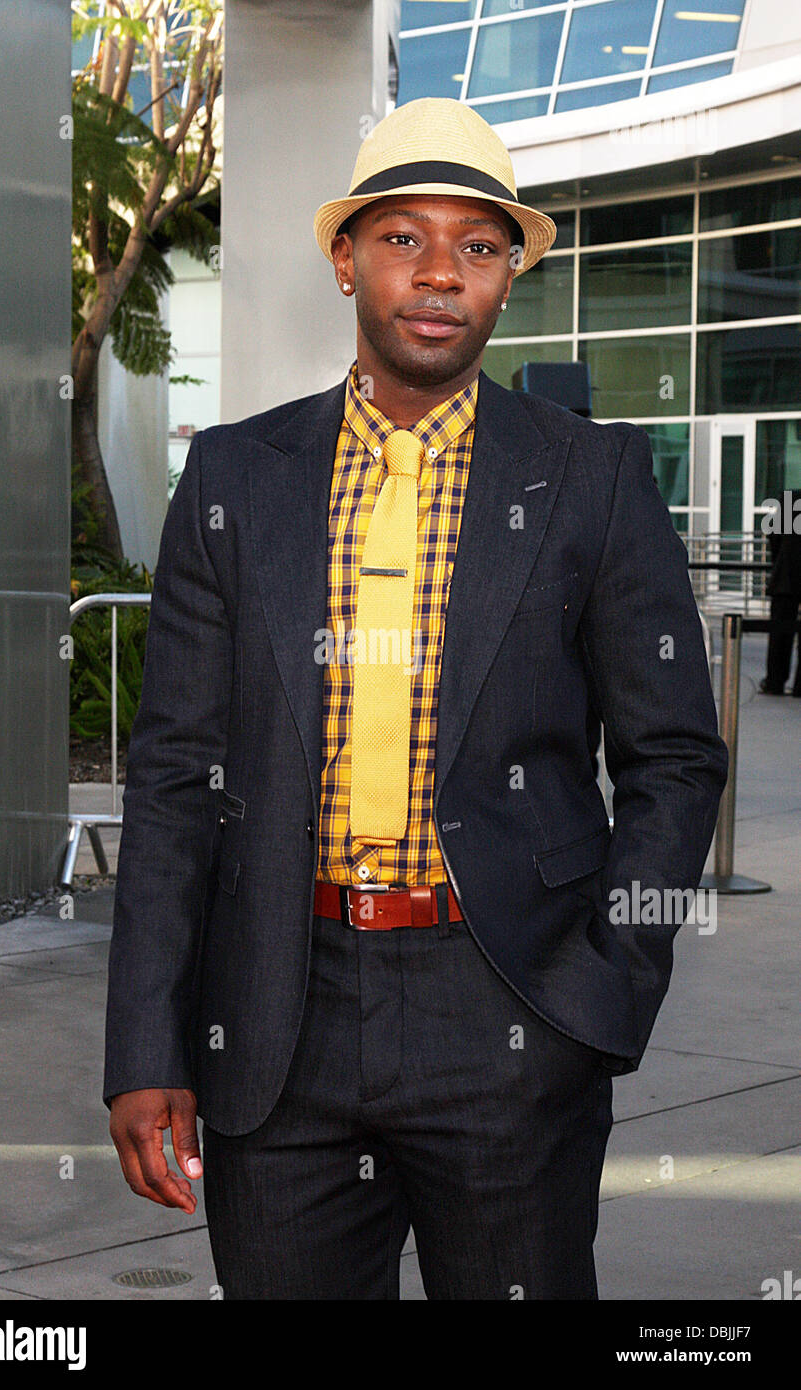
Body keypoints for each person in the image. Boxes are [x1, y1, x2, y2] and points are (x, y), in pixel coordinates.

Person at [103, 98, 729, 1300]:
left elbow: (674, 758)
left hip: (507, 1004)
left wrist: (605, 982)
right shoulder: (236, 477)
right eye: (401, 238)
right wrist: (146, 1044)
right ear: (344, 259)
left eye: (478, 246)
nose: (439, 272)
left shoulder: (587, 479)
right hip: (275, 1021)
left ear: (508, 276)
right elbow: (178, 775)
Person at [760, 489, 801, 696]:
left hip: (786, 576)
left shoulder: (789, 500)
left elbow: (773, 537)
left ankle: (775, 681)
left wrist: (778, 561)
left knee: (779, 632)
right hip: (787, 573)